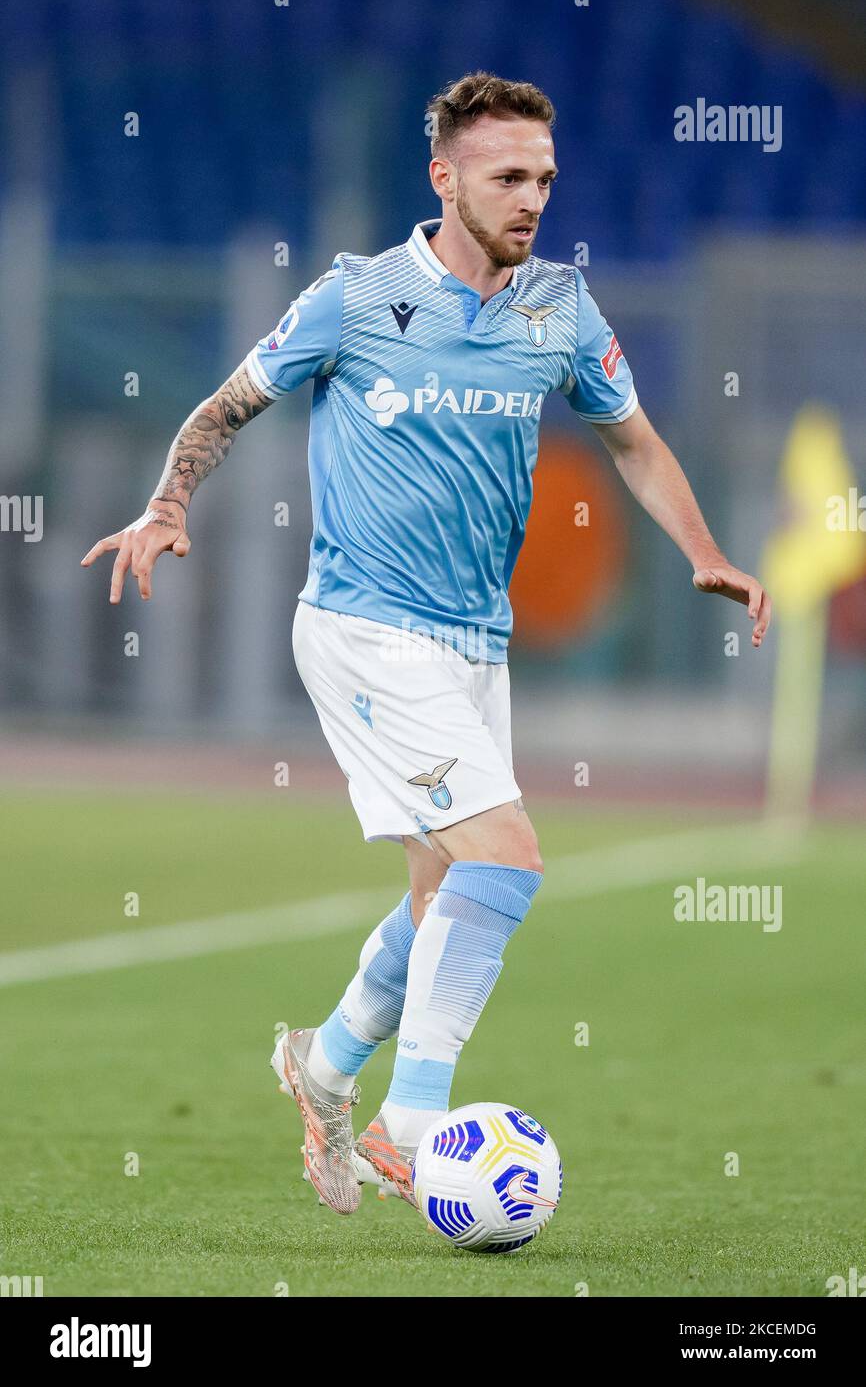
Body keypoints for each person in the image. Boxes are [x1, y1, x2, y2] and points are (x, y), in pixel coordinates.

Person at [81, 72, 771, 1215]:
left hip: (470, 642)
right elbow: (223, 407)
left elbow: (636, 443)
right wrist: (166, 505)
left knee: (436, 897)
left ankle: (321, 1062)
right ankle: (416, 1120)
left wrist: (701, 547)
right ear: (442, 178)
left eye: (544, 178)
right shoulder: (351, 299)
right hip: (361, 629)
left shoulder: (559, 306)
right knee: (505, 858)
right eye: (507, 176)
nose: (531, 197)